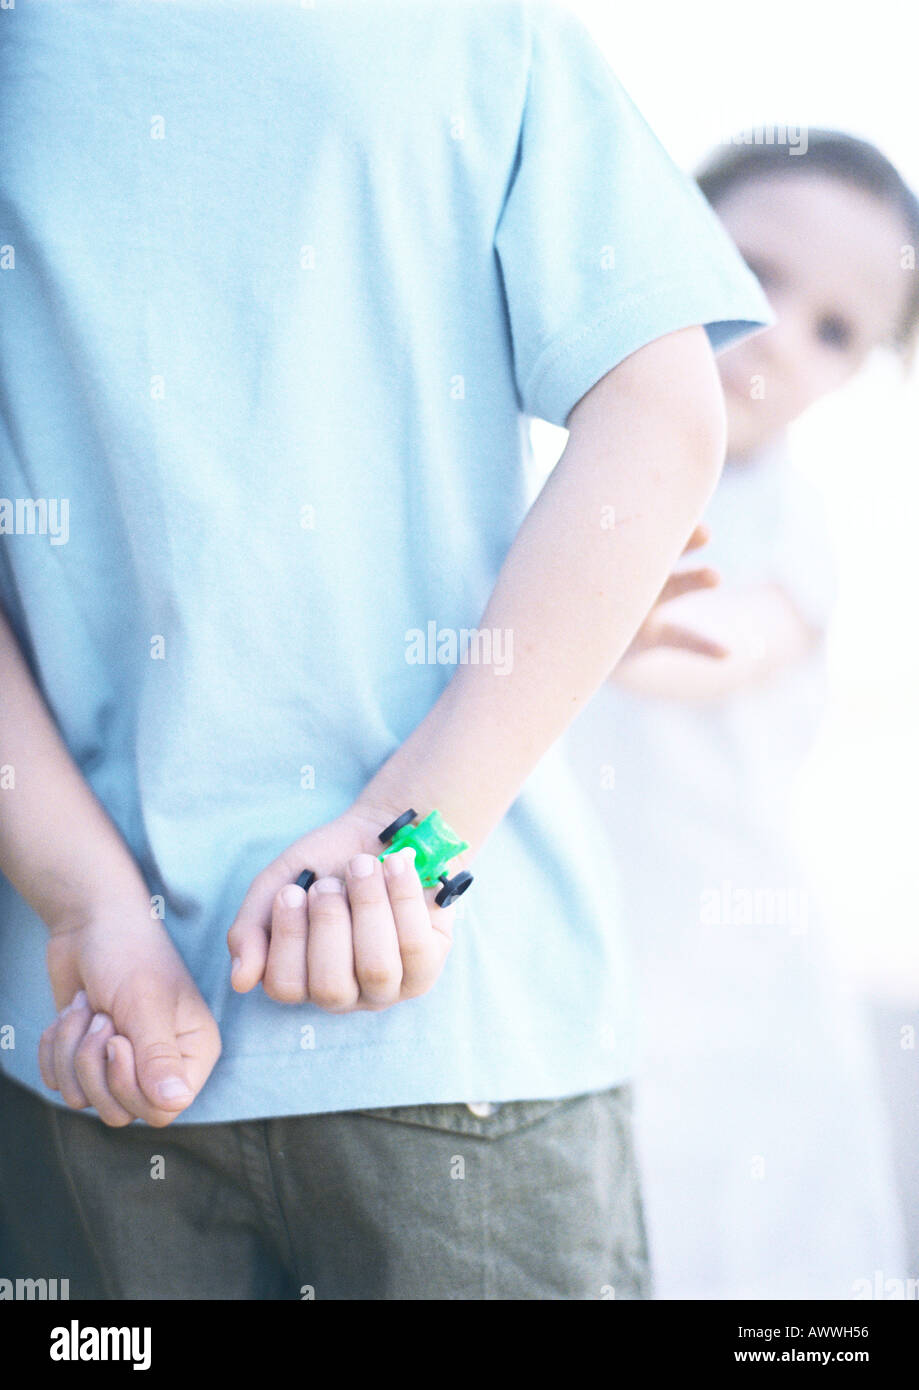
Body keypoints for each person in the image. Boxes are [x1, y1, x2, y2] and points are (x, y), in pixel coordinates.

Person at [0, 0, 770, 1300]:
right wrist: (409, 835)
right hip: (461, 1038)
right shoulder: (473, 25)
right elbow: (658, 409)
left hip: (93, 1041)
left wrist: (91, 903)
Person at [564, 129, 919, 1298]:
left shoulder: (789, 526)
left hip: (725, 972)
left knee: (730, 1252)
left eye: (833, 331)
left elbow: (711, 646)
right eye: (753, 269)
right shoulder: (557, 443)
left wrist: (590, 610)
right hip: (558, 950)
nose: (775, 332)